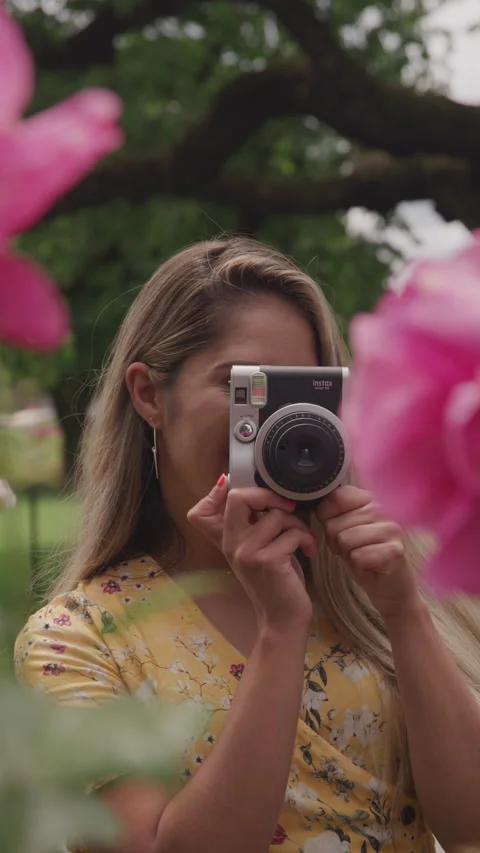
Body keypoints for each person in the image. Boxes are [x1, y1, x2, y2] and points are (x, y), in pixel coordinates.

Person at [14, 237, 480, 853]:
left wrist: (404, 610)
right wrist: (279, 630)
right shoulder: (78, 639)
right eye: (244, 387)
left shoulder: (377, 585)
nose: (278, 427)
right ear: (150, 394)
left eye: (302, 392)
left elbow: (471, 824)